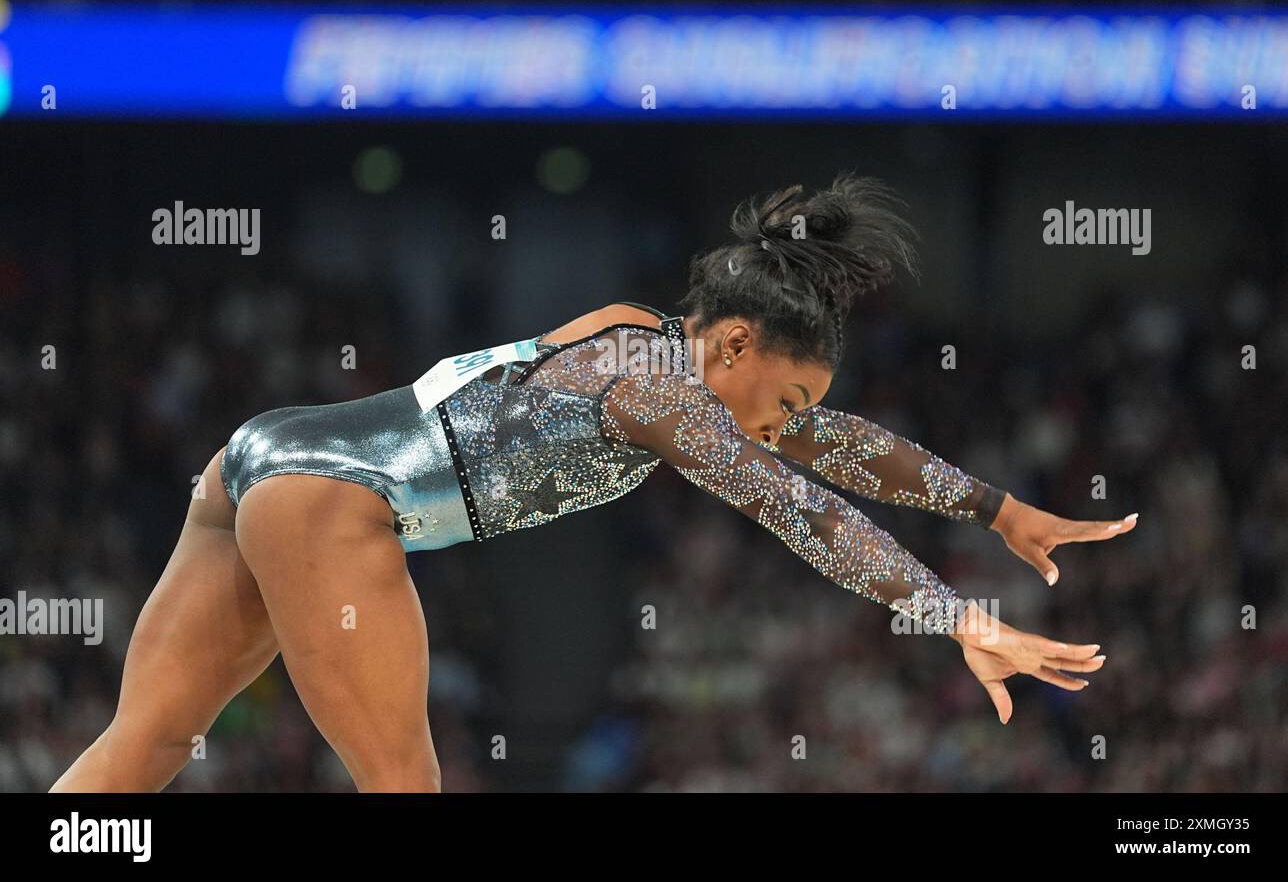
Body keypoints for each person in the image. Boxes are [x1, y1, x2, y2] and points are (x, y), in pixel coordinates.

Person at [51, 174, 1134, 793]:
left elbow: (838, 450)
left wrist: (996, 508)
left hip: (261, 460)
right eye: (787, 398)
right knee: (405, 786)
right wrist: (949, 613)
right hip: (335, 500)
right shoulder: (656, 392)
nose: (790, 423)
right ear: (738, 342)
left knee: (139, 747)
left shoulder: (643, 341)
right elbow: (791, 500)